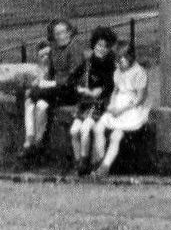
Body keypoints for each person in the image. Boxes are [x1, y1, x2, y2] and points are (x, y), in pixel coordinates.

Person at [21, 19, 87, 157]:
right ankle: (32, 141)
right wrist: (47, 81)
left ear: (69, 33)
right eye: (56, 33)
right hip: (56, 91)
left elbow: (72, 78)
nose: (59, 36)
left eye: (62, 32)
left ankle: (35, 143)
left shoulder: (75, 49)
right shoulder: (54, 49)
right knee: (39, 105)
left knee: (31, 95)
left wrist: (49, 84)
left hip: (70, 91)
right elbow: (50, 73)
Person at [89, 43, 150, 177]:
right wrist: (111, 104)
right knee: (98, 128)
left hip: (131, 109)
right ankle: (99, 158)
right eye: (118, 59)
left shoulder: (139, 72)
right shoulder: (118, 71)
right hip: (117, 106)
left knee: (116, 136)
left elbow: (140, 98)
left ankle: (105, 166)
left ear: (130, 57)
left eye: (123, 58)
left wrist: (122, 109)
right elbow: (115, 90)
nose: (120, 62)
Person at [68, 27, 118, 175]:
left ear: (109, 48)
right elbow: (72, 79)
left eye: (106, 46)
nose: (101, 49)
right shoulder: (88, 62)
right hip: (84, 104)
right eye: (99, 45)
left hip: (99, 106)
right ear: (94, 44)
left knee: (84, 129)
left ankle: (84, 162)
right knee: (73, 131)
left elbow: (109, 87)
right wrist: (79, 89)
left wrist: (97, 92)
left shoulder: (111, 65)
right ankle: (78, 162)